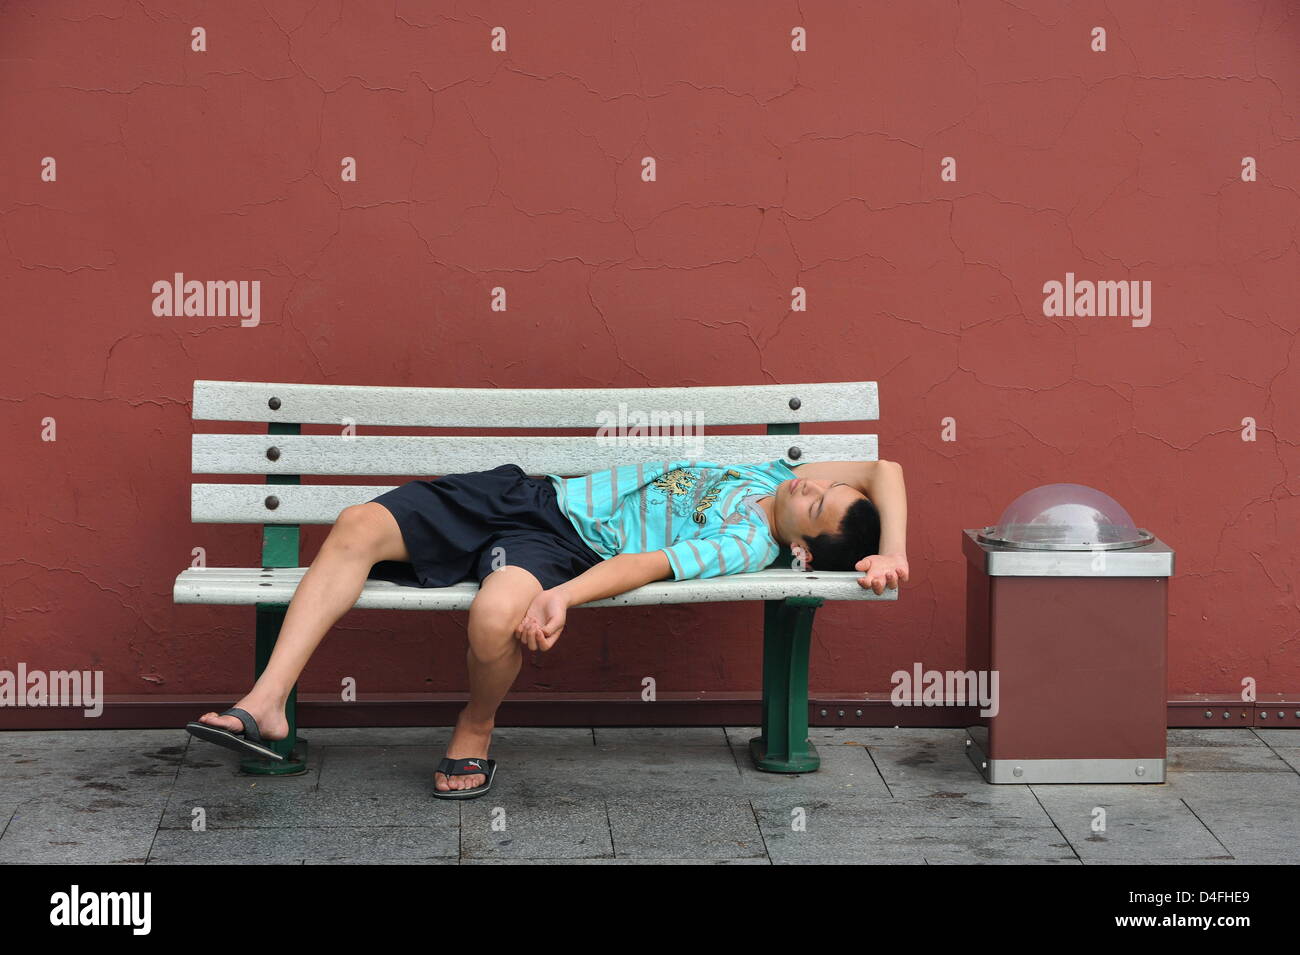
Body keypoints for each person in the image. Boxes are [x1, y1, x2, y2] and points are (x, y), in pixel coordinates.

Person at [186, 457, 909, 799]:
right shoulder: (770, 477)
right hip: (528, 494)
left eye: (814, 504)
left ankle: (474, 728)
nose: (806, 485)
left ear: (803, 550)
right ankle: (266, 702)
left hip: (562, 549)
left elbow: (648, 562)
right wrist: (896, 550)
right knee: (356, 525)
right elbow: (886, 468)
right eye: (818, 483)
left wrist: (564, 596)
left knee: (496, 612)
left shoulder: (743, 542)